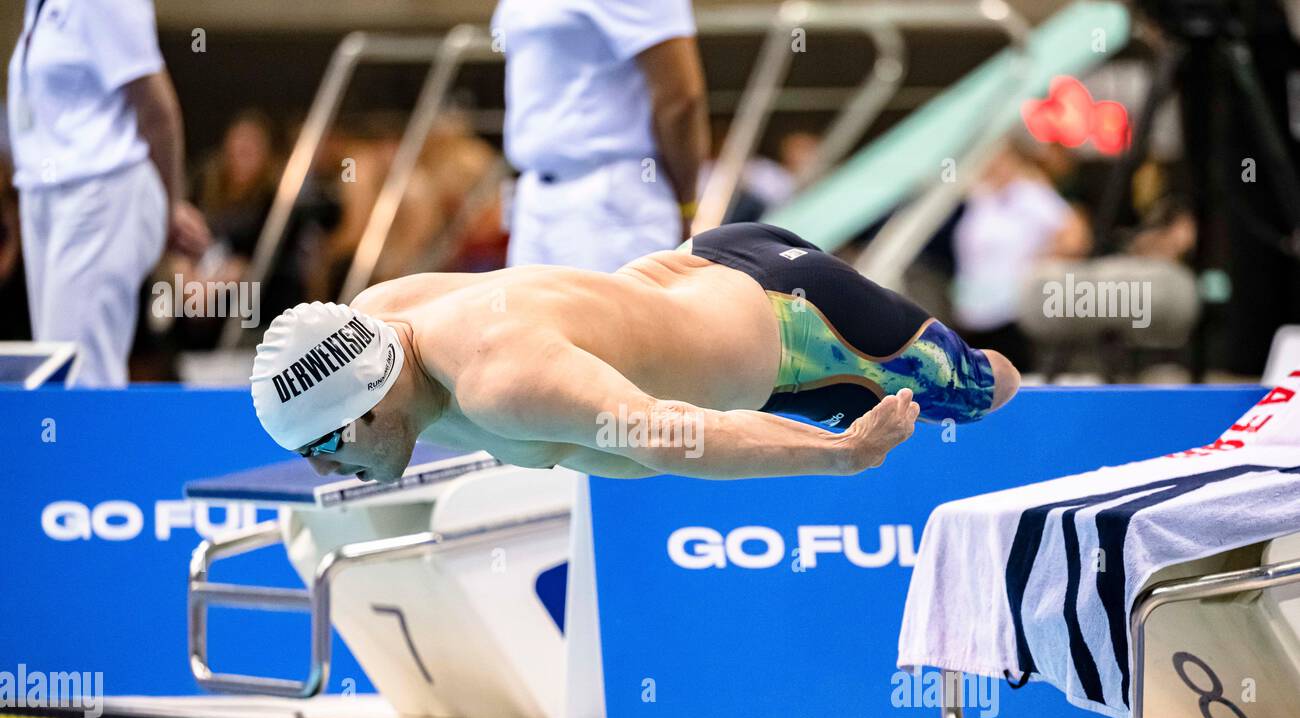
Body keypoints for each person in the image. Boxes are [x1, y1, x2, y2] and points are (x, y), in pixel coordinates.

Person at [250, 223, 1019, 483]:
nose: (321, 467)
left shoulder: (498, 376)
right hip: (703, 268)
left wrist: (841, 453)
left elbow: (668, 435)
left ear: (373, 399)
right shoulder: (378, 317)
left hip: (805, 330)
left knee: (987, 389)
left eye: (326, 445)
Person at [6, 0, 208, 386]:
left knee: (81, 368)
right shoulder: (38, 5)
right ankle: (64, 446)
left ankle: (92, 445)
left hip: (102, 190)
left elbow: (158, 111)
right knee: (54, 364)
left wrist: (169, 205)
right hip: (42, 195)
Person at [492, 0, 708, 270]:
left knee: (614, 313)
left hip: (610, 198)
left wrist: (686, 204)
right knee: (524, 313)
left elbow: (681, 100)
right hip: (533, 194)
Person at [951, 139, 1089, 371]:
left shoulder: (1031, 195)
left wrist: (1040, 262)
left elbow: (1075, 238)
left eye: (1000, 160)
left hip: (1011, 312)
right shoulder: (980, 197)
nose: (993, 166)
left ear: (1014, 161)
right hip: (973, 313)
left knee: (1014, 379)